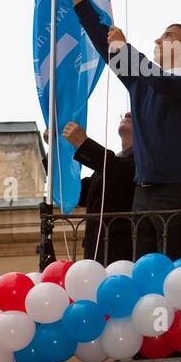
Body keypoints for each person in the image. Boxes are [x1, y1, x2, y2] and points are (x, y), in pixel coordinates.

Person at [56, 0, 181, 260]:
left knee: (172, 270)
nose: (157, 39)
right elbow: (106, 47)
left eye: (167, 36)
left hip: (174, 191)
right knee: (146, 270)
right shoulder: (142, 81)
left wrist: (124, 49)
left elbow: (162, 82)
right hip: (143, 193)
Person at [64, 112, 136, 263]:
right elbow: (73, 191)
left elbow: (119, 170)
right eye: (124, 113)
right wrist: (57, 152)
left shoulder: (146, 161)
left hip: (124, 254)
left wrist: (83, 143)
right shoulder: (104, 168)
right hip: (95, 254)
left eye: (135, 113)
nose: (128, 113)